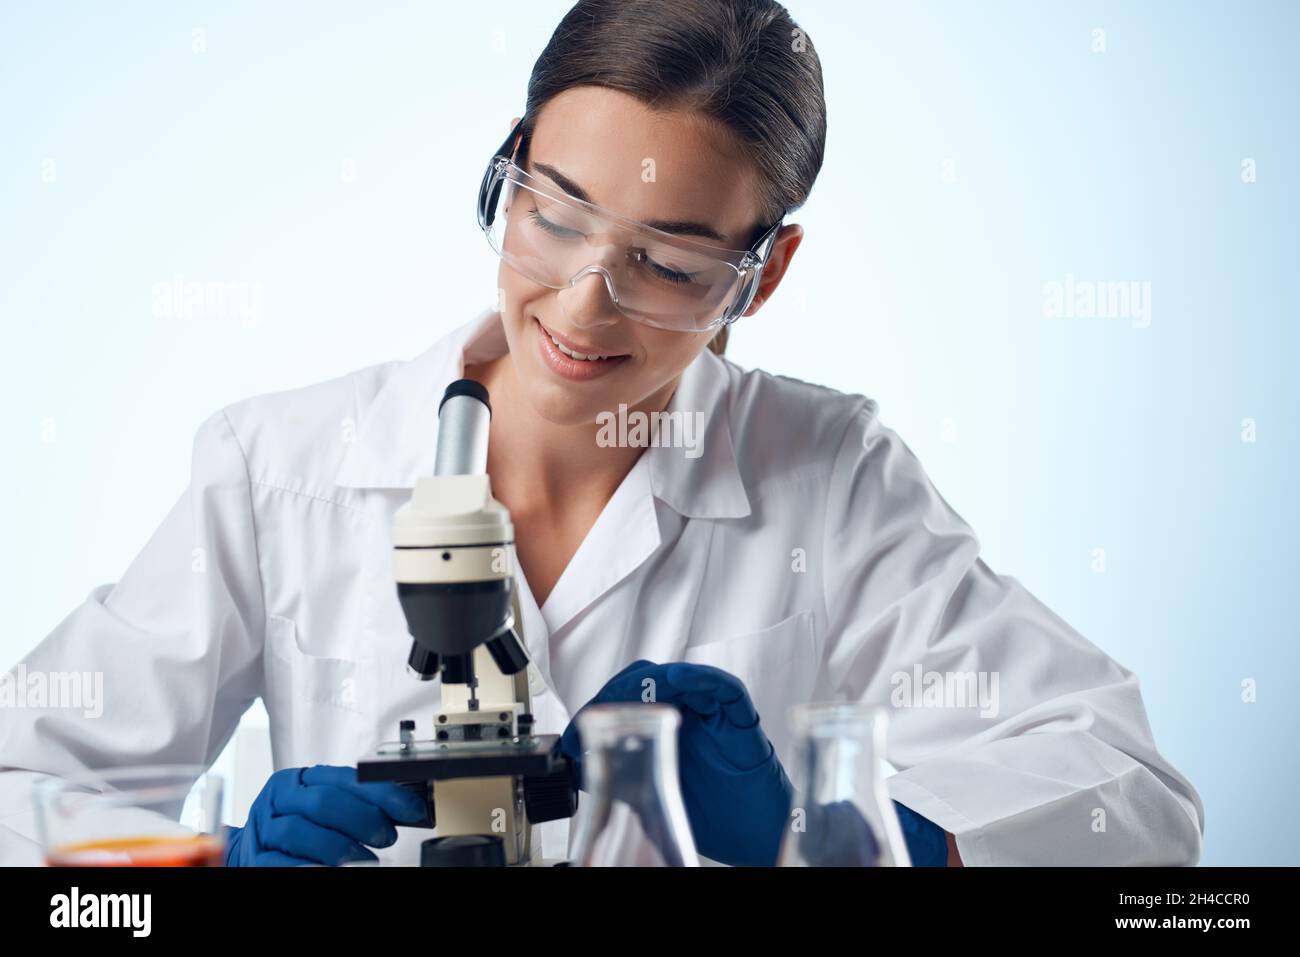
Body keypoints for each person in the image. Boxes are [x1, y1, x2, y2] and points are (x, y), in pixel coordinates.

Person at [0, 0, 1203, 867]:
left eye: (670, 262)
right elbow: (23, 788)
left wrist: (827, 842)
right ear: (510, 166)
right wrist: (205, 869)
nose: (581, 305)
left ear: (763, 273)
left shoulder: (831, 479)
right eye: (554, 215)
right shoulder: (281, 468)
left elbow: (1130, 803)